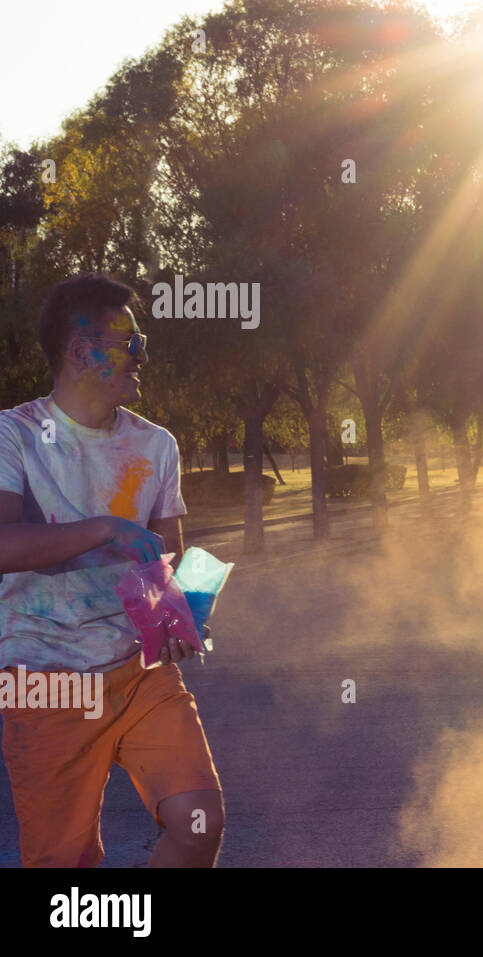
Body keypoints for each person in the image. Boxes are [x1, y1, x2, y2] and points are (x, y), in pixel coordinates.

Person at [0, 273, 224, 867]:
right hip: (43, 683)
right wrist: (104, 527)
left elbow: (164, 561)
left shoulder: (157, 446)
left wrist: (179, 616)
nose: (142, 355)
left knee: (199, 825)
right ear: (79, 351)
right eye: (131, 340)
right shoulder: (13, 436)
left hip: (138, 673)